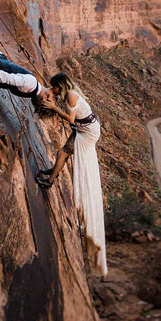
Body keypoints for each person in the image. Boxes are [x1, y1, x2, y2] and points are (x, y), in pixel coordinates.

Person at [36, 72, 107, 276]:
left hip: (88, 132)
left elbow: (70, 118)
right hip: (83, 129)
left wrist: (53, 107)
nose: (54, 91)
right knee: (63, 152)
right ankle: (52, 175)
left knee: (63, 152)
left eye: (55, 88)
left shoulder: (71, 96)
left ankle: (49, 180)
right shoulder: (69, 94)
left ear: (61, 86)